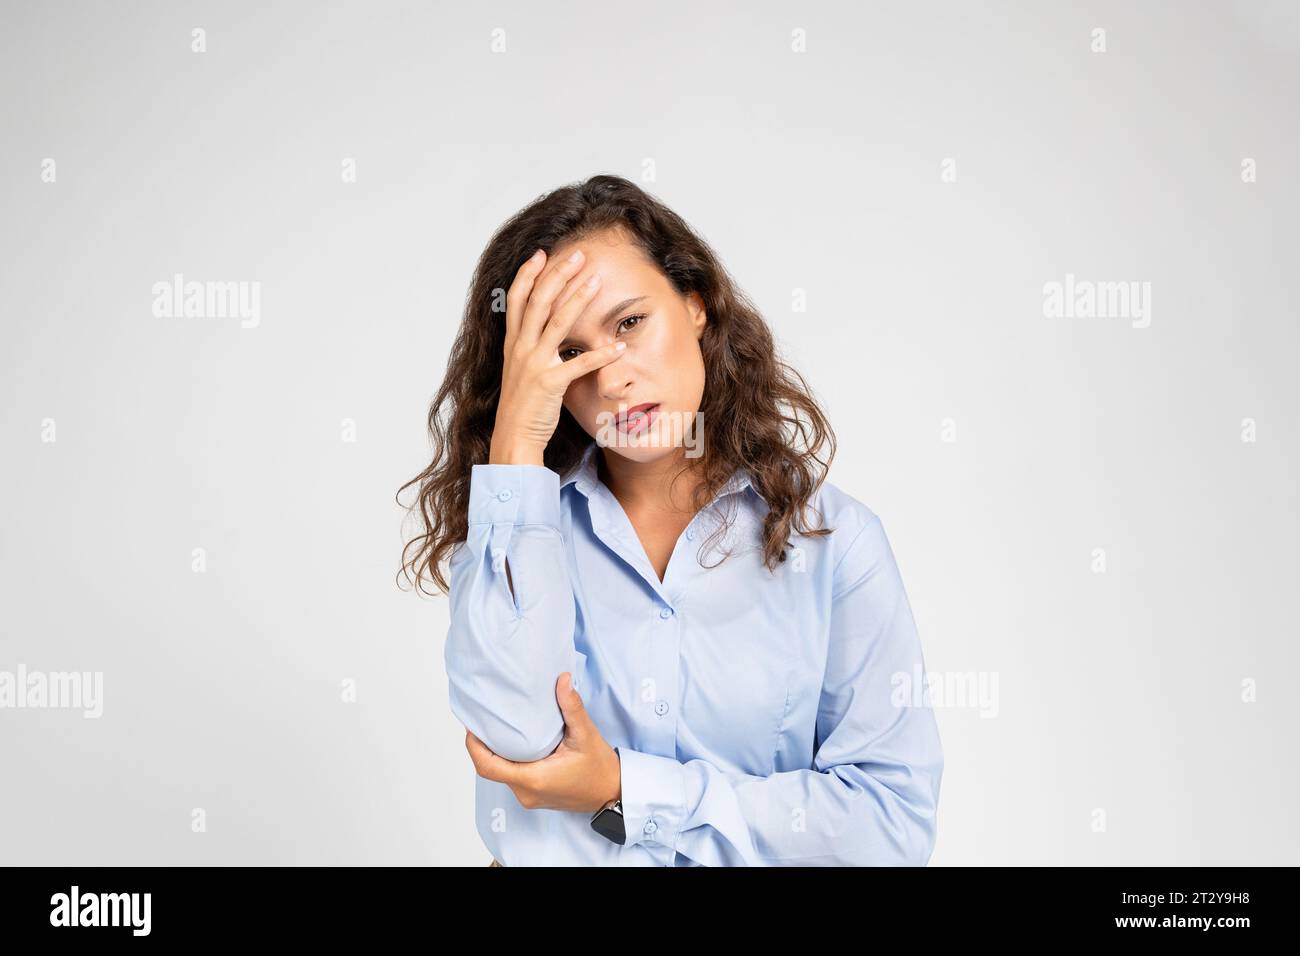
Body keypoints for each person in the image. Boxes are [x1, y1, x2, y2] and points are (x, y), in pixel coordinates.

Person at [397, 174, 944, 866]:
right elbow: (515, 745)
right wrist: (513, 448)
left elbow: (888, 830)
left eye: (629, 324)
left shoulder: (836, 544)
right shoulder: (520, 530)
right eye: (568, 353)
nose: (611, 377)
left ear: (695, 306)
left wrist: (625, 790)